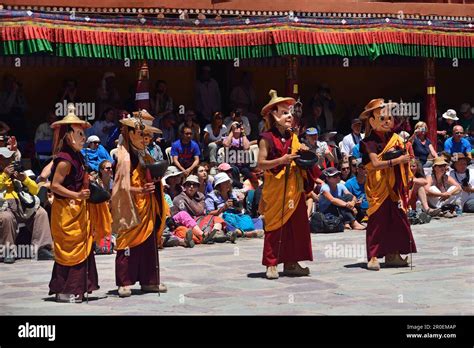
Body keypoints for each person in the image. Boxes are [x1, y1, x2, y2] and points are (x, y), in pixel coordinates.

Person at [48, 104, 111, 303]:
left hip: (79, 208)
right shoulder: (64, 160)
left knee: (84, 247)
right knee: (70, 248)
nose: (84, 138)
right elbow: (55, 186)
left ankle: (79, 289)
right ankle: (65, 290)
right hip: (66, 210)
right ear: (68, 136)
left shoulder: (77, 156)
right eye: (80, 134)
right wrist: (76, 195)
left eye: (84, 133)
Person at [258, 89, 316, 279]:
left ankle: (291, 263)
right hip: (276, 189)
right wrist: (282, 160)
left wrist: (304, 150)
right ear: (274, 116)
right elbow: (260, 164)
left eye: (290, 112)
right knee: (275, 226)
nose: (289, 116)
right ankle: (271, 263)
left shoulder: (293, 137)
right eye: (284, 112)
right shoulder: (266, 138)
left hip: (294, 188)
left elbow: (298, 157)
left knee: (296, 226)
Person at [111, 111, 169, 298]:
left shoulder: (145, 154)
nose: (147, 138)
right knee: (126, 244)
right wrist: (141, 191)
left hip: (147, 206)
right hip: (131, 208)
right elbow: (120, 188)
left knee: (148, 245)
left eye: (149, 135)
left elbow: (151, 175)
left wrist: (156, 182)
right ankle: (124, 282)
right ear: (130, 133)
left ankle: (149, 281)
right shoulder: (123, 157)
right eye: (143, 134)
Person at [359, 98, 417, 271]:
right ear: (372, 121)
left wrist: (405, 159)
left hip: (394, 185)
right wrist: (397, 160)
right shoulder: (368, 141)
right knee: (377, 221)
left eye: (389, 118)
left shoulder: (395, 138)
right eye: (381, 118)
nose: (387, 121)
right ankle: (374, 256)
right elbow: (375, 164)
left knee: (397, 220)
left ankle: (393, 255)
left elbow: (406, 158)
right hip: (377, 184)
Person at [0, 147, 54, 264]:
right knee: (6, 217)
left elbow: (35, 190)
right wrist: (4, 175)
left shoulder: (17, 172)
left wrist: (24, 179)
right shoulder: (3, 174)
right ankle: (7, 251)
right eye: (5, 158)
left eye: (11, 158)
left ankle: (41, 249)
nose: (9, 161)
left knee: (40, 213)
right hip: (4, 207)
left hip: (22, 205)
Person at [171, 175, 220, 244]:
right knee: (184, 227)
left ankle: (216, 233)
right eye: (189, 184)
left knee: (216, 218)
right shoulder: (178, 199)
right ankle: (203, 236)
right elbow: (178, 218)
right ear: (184, 187)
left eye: (194, 185)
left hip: (198, 221)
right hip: (184, 225)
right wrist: (188, 198)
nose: (191, 187)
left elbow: (199, 211)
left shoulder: (200, 196)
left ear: (197, 187)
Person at [0, 74, 28, 140]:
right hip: (6, 122)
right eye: (9, 82)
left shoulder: (19, 95)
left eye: (13, 82)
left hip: (19, 123)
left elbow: (25, 108)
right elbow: (6, 109)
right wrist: (13, 92)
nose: (11, 84)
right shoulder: (2, 95)